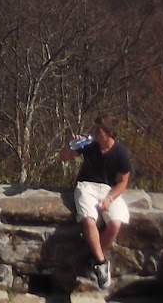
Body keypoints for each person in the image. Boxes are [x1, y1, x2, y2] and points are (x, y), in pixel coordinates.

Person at [61, 115, 132, 291]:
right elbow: (63, 157)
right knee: (89, 219)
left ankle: (92, 260)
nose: (95, 132)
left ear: (108, 133)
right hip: (87, 186)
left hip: (108, 190)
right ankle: (101, 263)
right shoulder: (89, 145)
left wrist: (109, 199)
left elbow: (123, 181)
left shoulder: (121, 154)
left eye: (99, 130)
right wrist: (72, 144)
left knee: (115, 222)